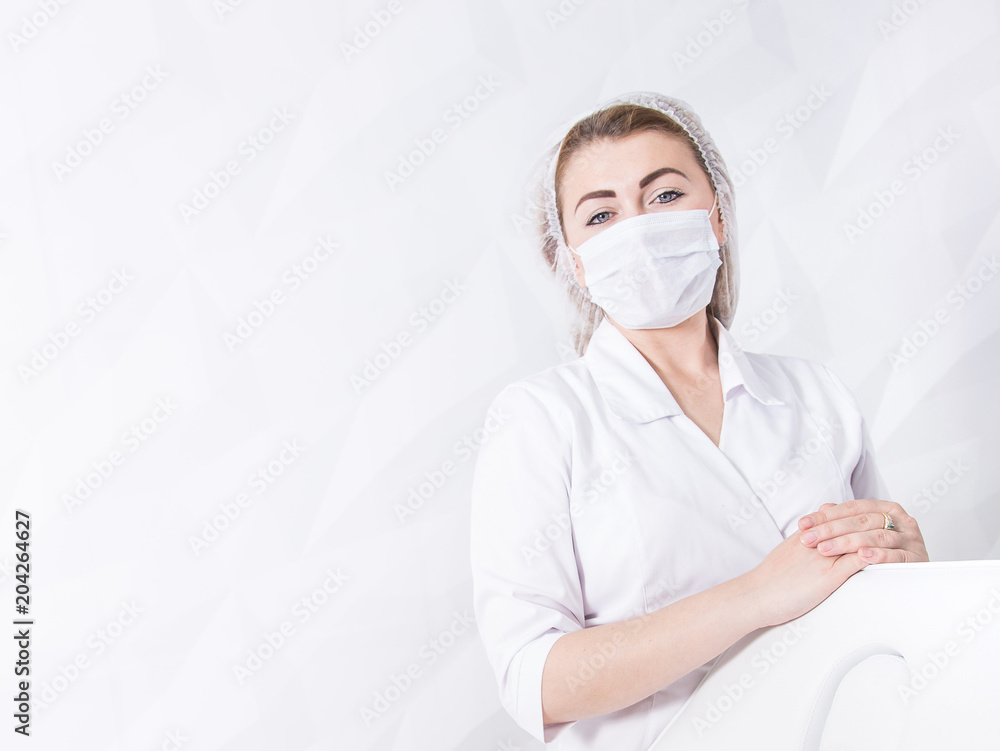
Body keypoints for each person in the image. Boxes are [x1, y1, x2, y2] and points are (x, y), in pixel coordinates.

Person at [468, 91, 929, 749]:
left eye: (663, 197)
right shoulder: (541, 420)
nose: (637, 228)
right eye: (601, 214)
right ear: (575, 262)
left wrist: (908, 565)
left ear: (715, 214)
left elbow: (883, 606)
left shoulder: (814, 395)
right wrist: (755, 595)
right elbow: (535, 680)